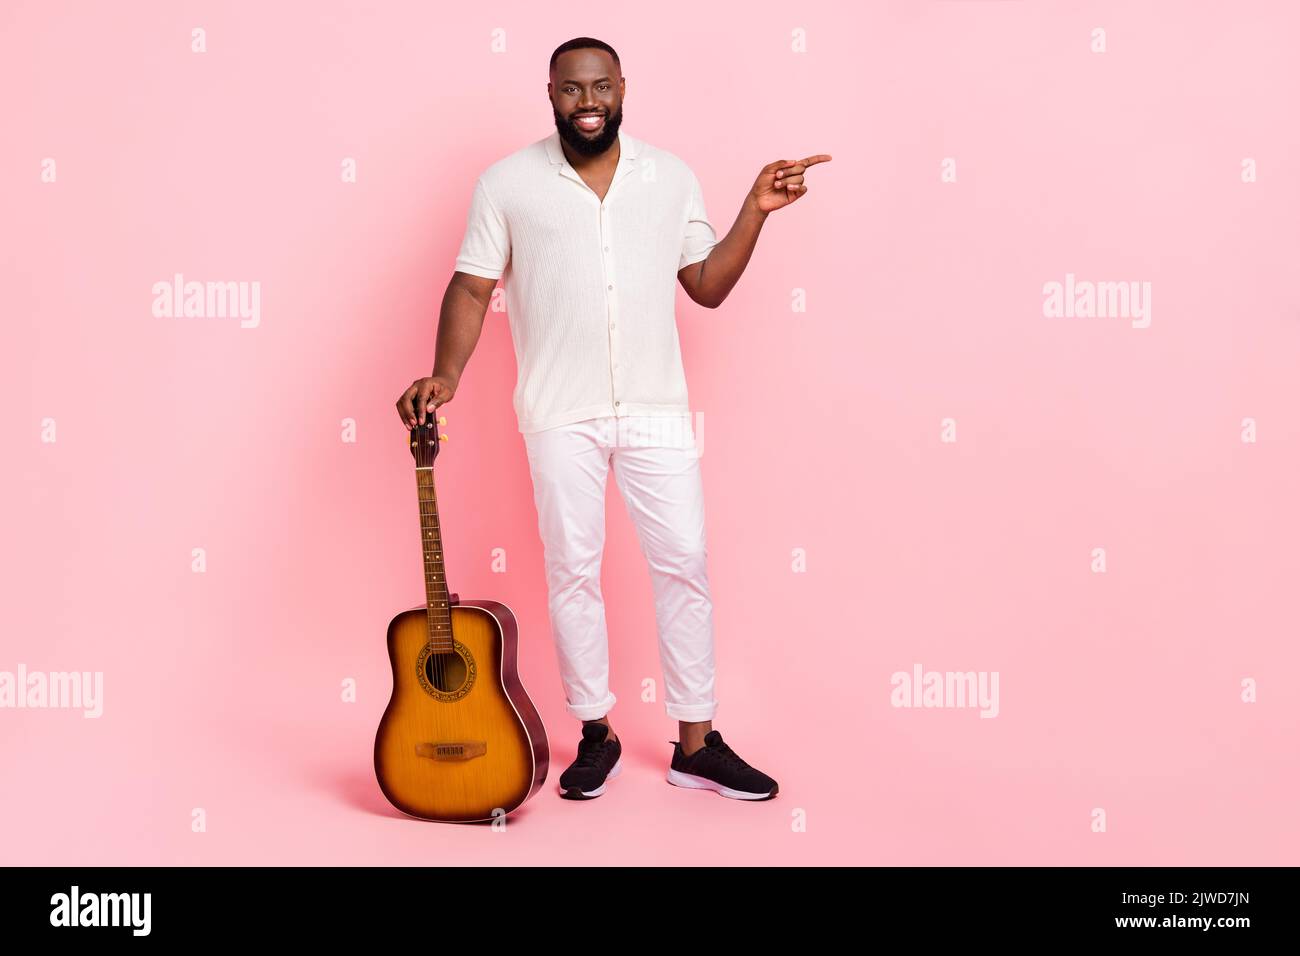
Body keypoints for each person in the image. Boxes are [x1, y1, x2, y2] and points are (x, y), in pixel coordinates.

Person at [396, 36, 830, 802]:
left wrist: (753, 212)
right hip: (559, 410)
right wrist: (447, 374)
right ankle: (595, 732)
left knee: (685, 563)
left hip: (658, 407)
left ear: (623, 87)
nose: (587, 102)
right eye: (571, 89)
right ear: (552, 93)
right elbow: (470, 290)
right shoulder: (506, 183)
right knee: (572, 569)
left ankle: (695, 743)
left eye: (600, 86)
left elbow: (706, 285)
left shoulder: (670, 178)